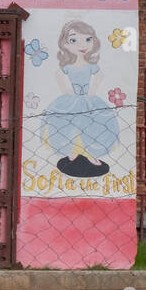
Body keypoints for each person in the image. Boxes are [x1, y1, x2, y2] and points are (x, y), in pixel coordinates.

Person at [43, 20, 120, 178]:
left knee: (91, 125)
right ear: (65, 44)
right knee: (69, 124)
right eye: (74, 40)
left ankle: (91, 152)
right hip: (71, 100)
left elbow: (99, 75)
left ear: (93, 42)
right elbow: (59, 74)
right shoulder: (68, 66)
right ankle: (72, 152)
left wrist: (92, 91)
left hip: (89, 99)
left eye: (88, 39)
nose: (82, 44)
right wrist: (67, 90)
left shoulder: (91, 65)